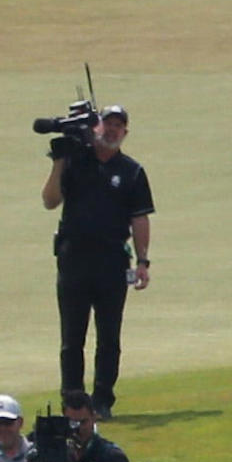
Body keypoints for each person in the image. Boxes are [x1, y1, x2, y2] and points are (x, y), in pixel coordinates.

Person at [40, 102, 152, 414]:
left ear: (125, 132)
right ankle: (72, 401)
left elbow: (140, 218)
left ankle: (102, 400)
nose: (112, 129)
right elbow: (50, 200)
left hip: (112, 262)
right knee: (71, 338)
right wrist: (59, 160)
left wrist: (143, 262)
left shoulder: (131, 171)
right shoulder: (76, 162)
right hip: (73, 259)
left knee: (109, 337)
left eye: (119, 125)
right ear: (96, 126)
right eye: (107, 123)